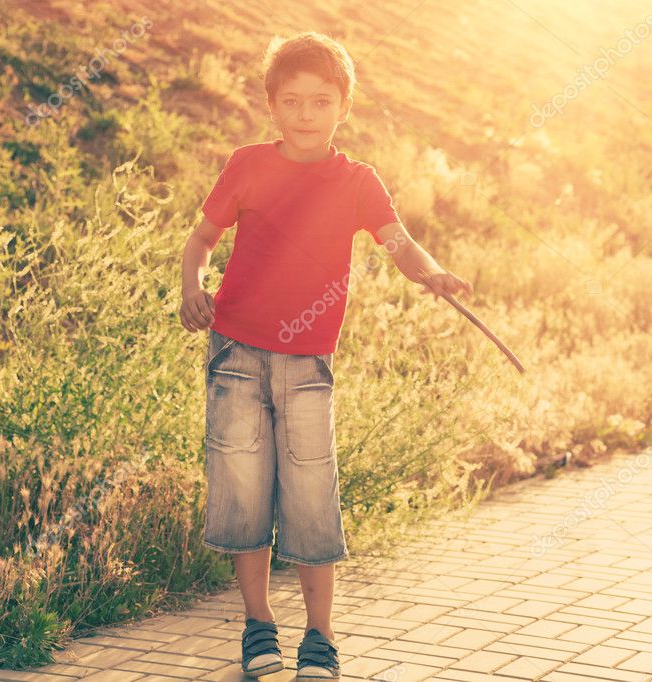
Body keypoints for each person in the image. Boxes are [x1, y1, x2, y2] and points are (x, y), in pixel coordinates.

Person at [179, 30, 472, 680]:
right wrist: (191, 288)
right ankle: (258, 626)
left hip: (307, 361)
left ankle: (320, 636)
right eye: (292, 102)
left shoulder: (357, 181)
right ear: (271, 105)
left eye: (320, 102)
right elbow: (199, 240)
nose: (305, 115)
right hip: (234, 351)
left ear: (343, 106)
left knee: (311, 493)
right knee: (242, 491)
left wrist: (433, 273)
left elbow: (399, 244)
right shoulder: (247, 164)